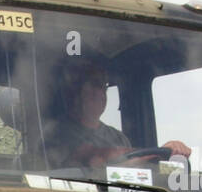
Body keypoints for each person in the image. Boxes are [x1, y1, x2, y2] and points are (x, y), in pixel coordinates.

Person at [47, 58, 189, 169]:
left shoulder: (118, 137)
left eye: (104, 87)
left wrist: (170, 157)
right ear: (75, 91)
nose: (101, 93)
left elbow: (130, 168)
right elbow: (92, 155)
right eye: (95, 84)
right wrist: (157, 152)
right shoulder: (56, 133)